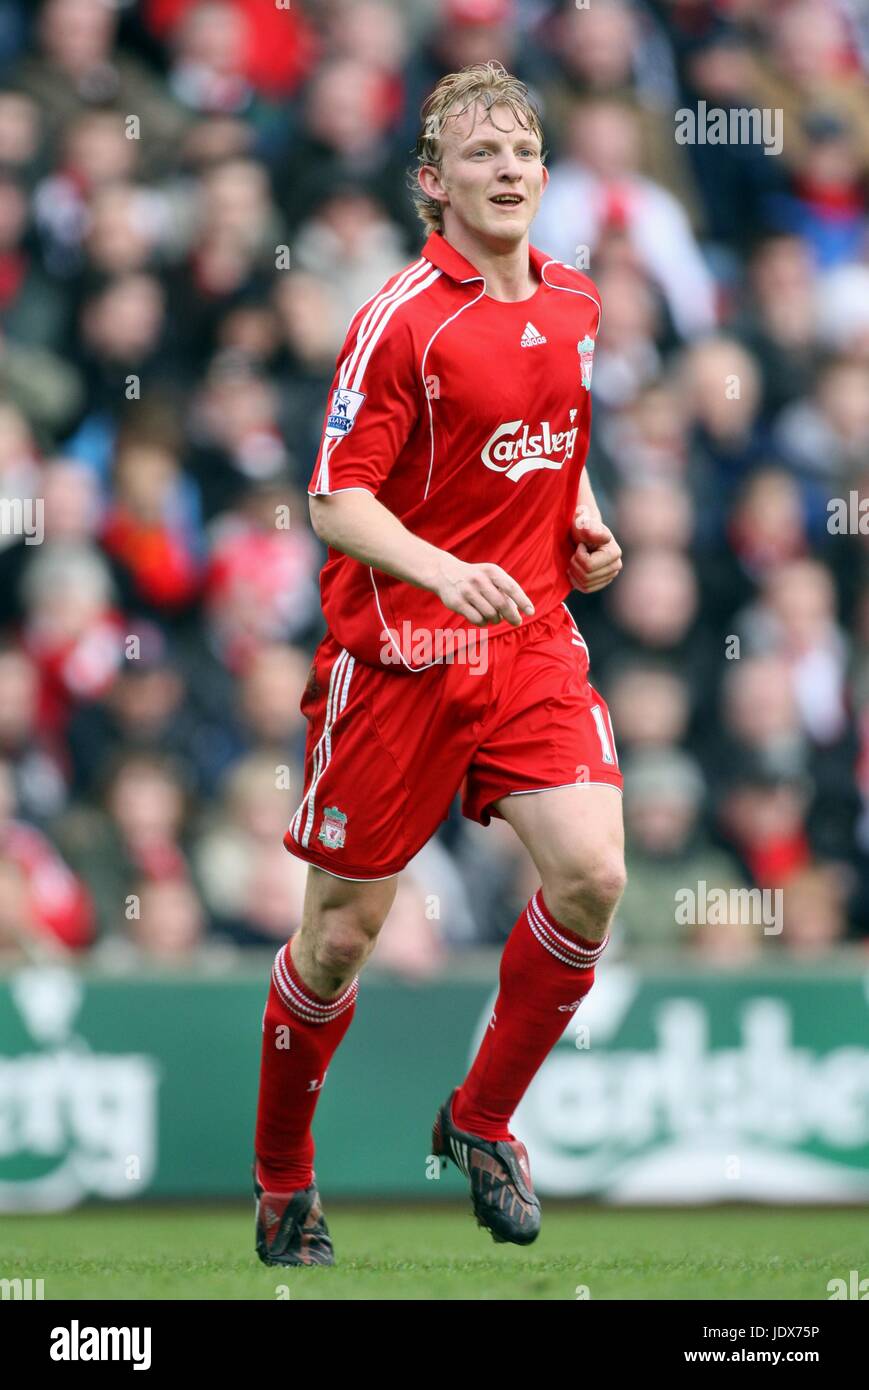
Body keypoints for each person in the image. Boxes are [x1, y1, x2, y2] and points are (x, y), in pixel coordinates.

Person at [253, 61, 626, 1266]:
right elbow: (333, 500)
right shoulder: (402, 317)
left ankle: (479, 1120)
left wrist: (585, 518)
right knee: (340, 939)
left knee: (590, 876)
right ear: (431, 182)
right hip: (402, 654)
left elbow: (549, 450)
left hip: (526, 640)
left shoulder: (573, 303)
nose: (507, 168)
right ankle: (283, 1181)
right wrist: (438, 570)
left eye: (521, 149)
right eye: (479, 153)